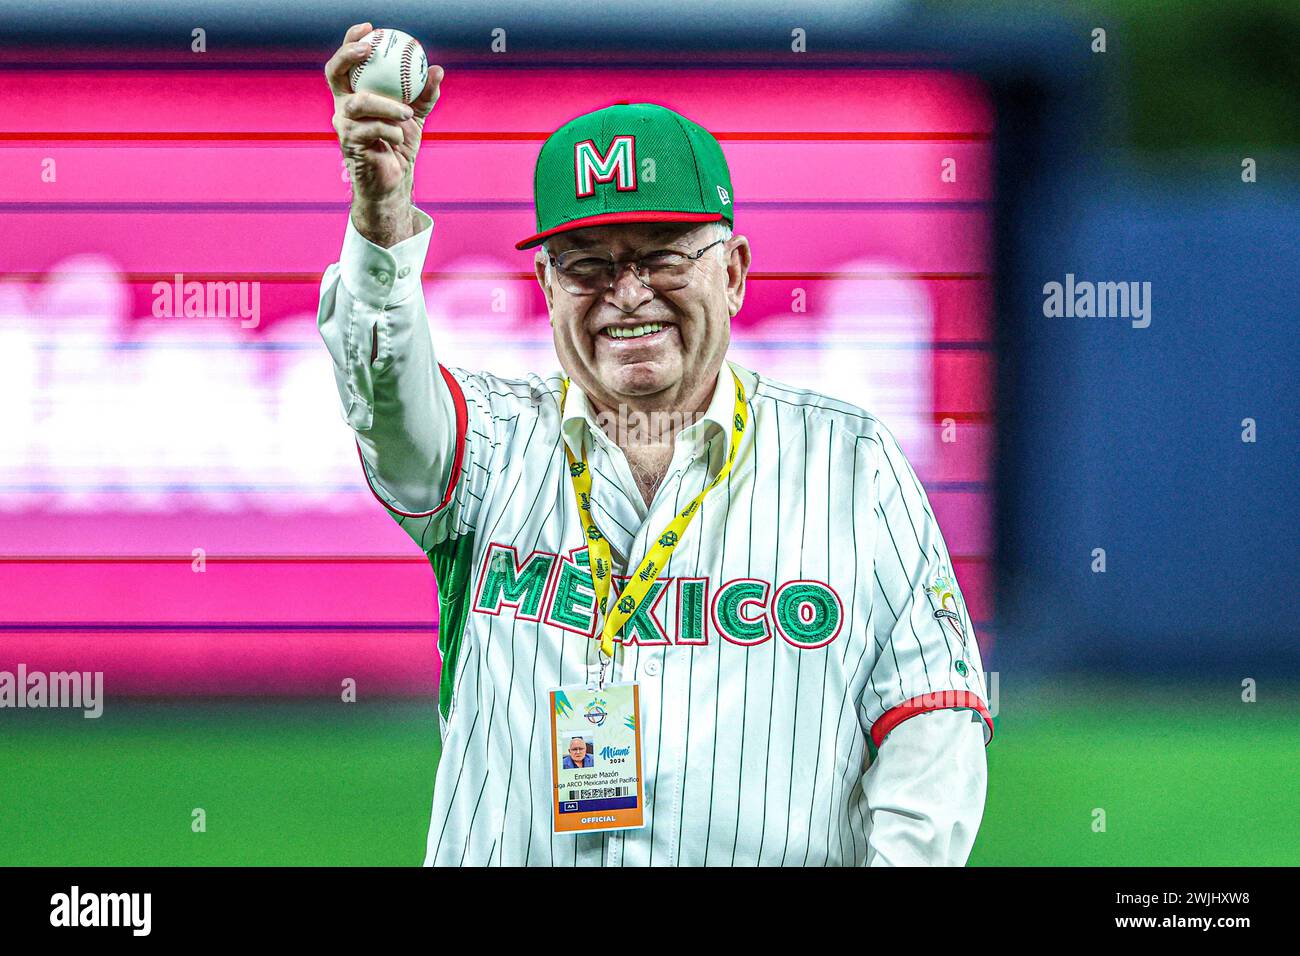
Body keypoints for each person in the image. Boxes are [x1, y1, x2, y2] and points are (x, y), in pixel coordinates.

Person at [319, 23, 992, 867]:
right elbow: (383, 400)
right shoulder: (488, 444)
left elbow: (933, 717)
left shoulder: (850, 464)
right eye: (587, 261)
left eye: (663, 256)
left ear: (736, 271)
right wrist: (379, 223)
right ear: (546, 285)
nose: (626, 295)